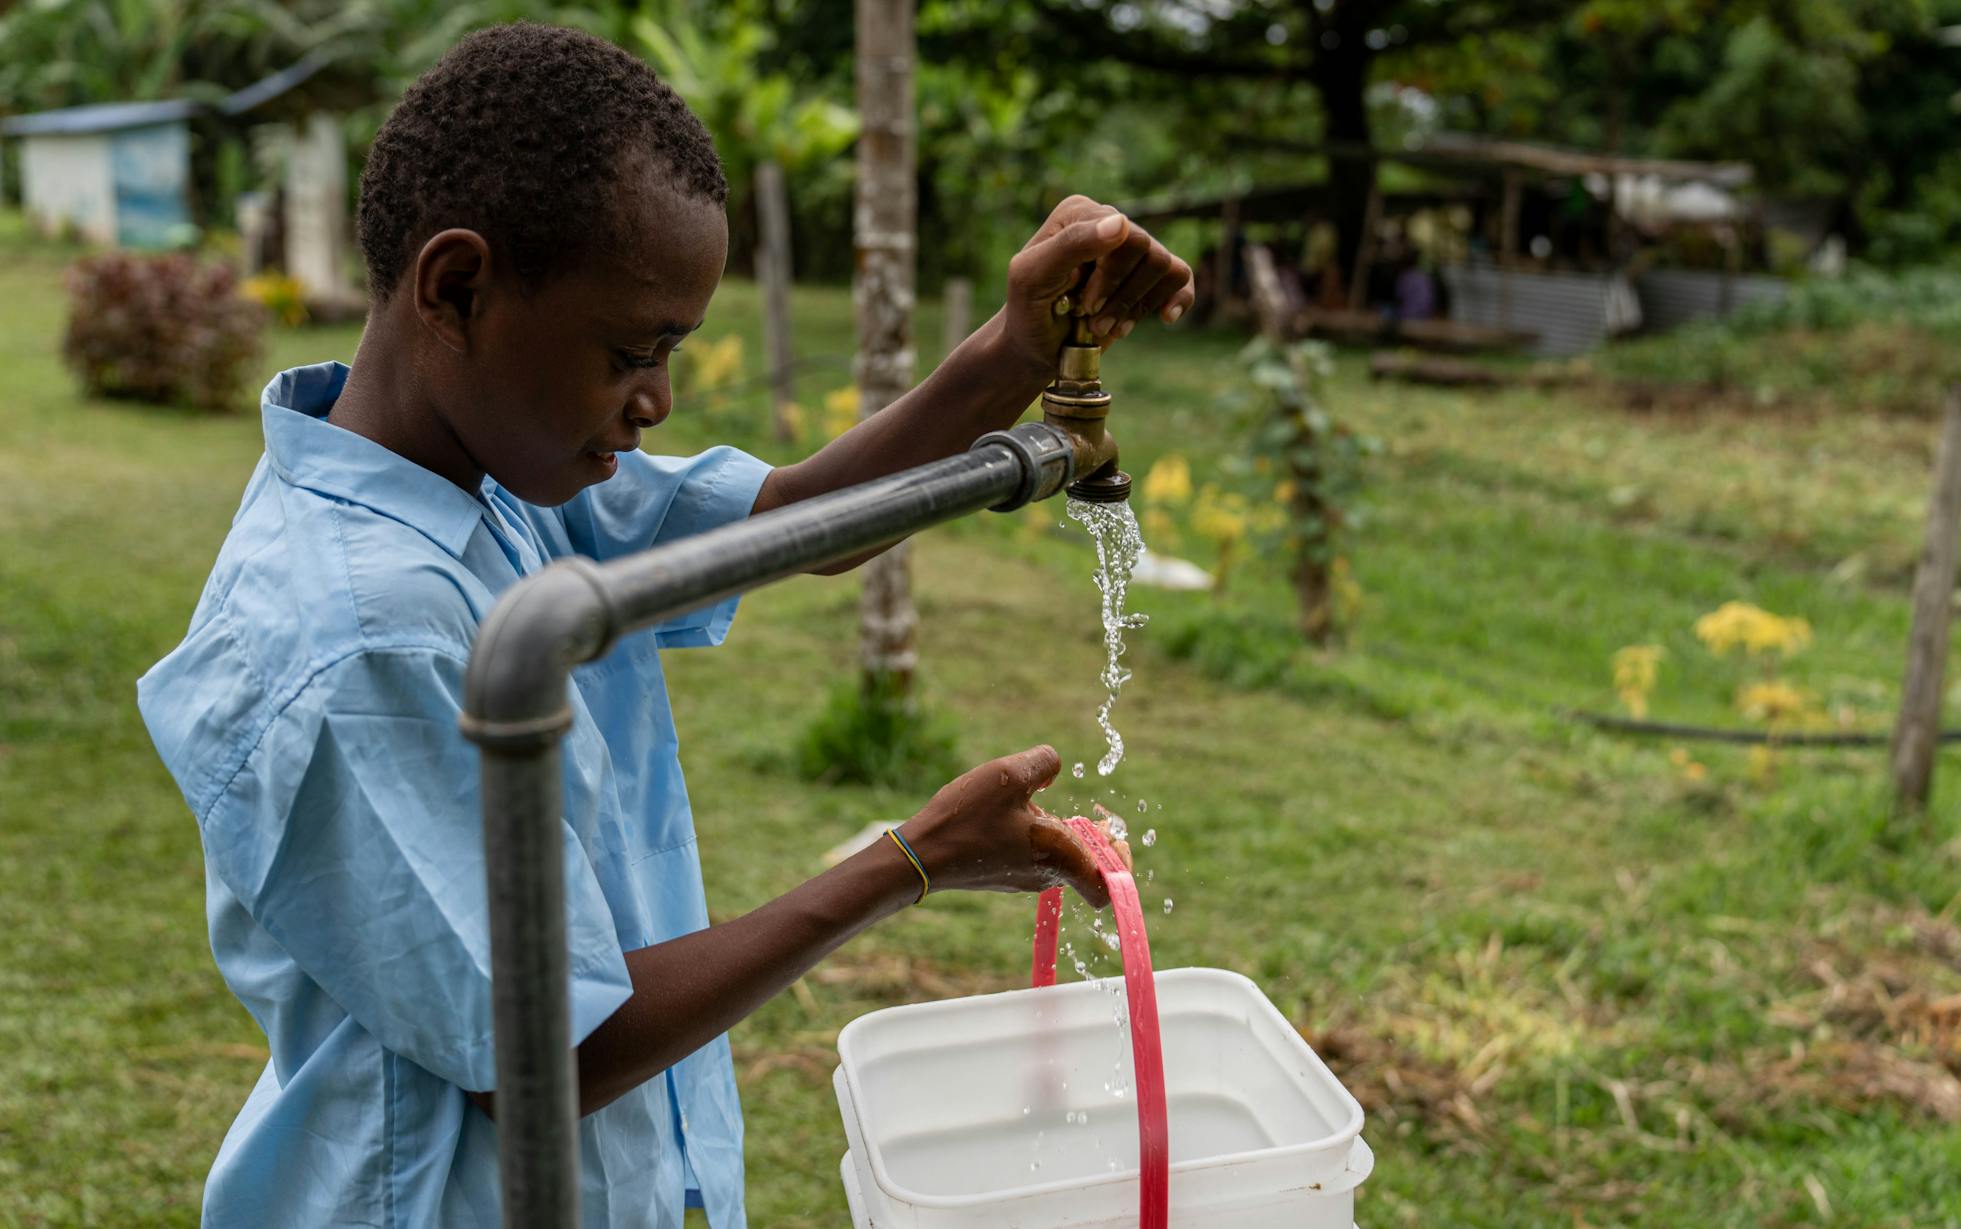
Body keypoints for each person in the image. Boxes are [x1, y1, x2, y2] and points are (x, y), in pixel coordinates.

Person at [136, 23, 1191, 1229]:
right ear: (457, 288)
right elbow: (545, 1050)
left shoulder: (493, 477)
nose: (658, 399)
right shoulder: (360, 635)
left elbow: (796, 521)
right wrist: (911, 860)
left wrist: (1012, 350)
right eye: (633, 352)